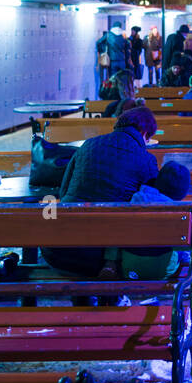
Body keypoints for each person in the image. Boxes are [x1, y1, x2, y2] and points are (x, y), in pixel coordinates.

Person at [43, 107, 159, 276]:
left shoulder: (88, 144)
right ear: (144, 132)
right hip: (102, 256)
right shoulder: (146, 159)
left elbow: (64, 190)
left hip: (58, 248)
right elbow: (151, 206)